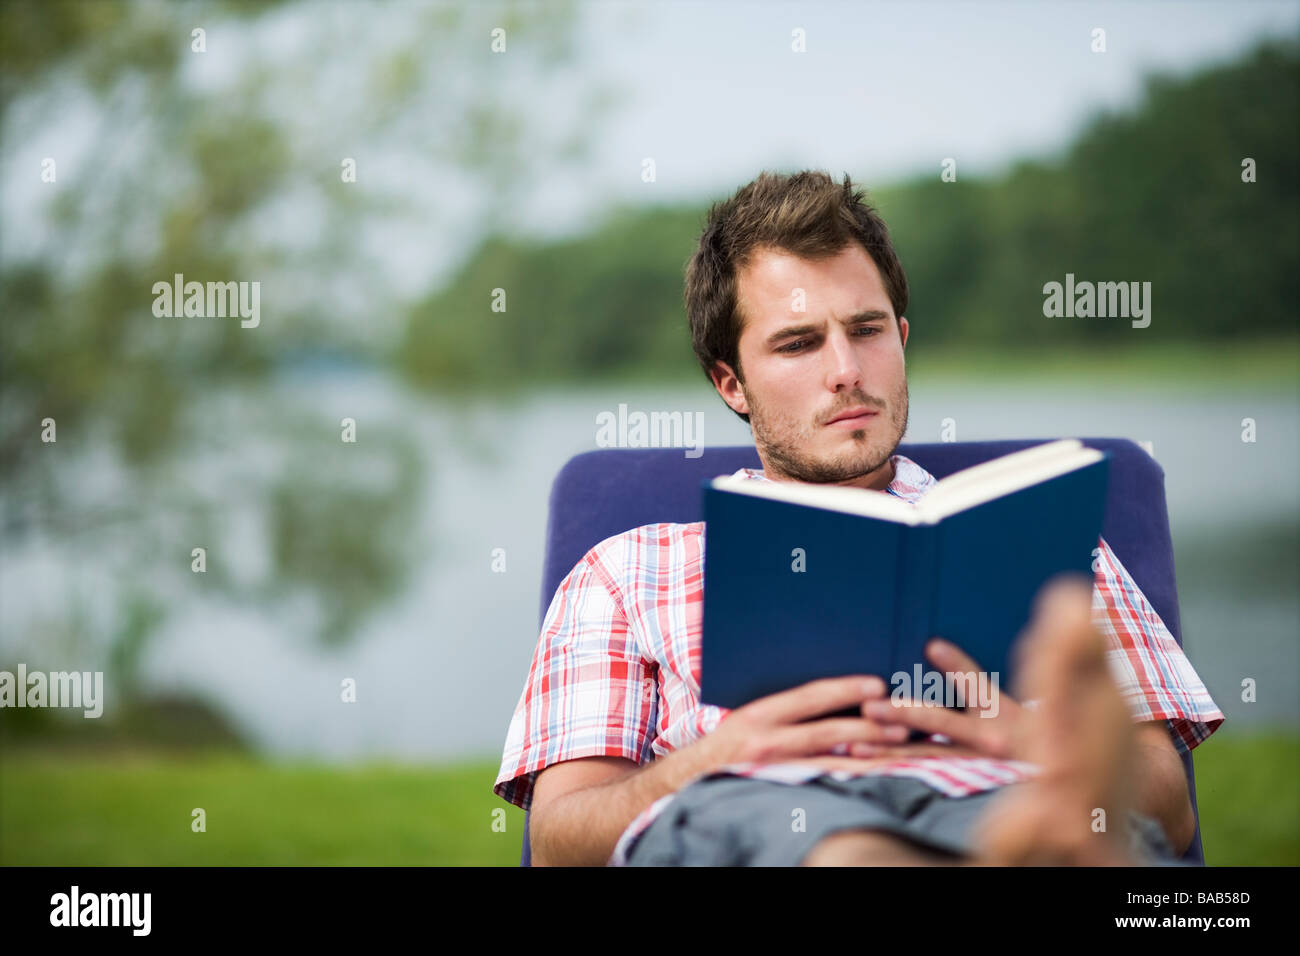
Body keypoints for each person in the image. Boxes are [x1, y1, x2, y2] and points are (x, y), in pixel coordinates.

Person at [493, 169, 1224, 866]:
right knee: (819, 841)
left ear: (901, 342)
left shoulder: (1049, 536)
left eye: (867, 330)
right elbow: (560, 843)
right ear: (730, 382)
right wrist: (710, 760)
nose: (845, 368)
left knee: (1050, 822)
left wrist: (1038, 744)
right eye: (799, 342)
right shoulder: (626, 572)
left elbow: (1169, 807)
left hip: (999, 796)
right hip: (761, 815)